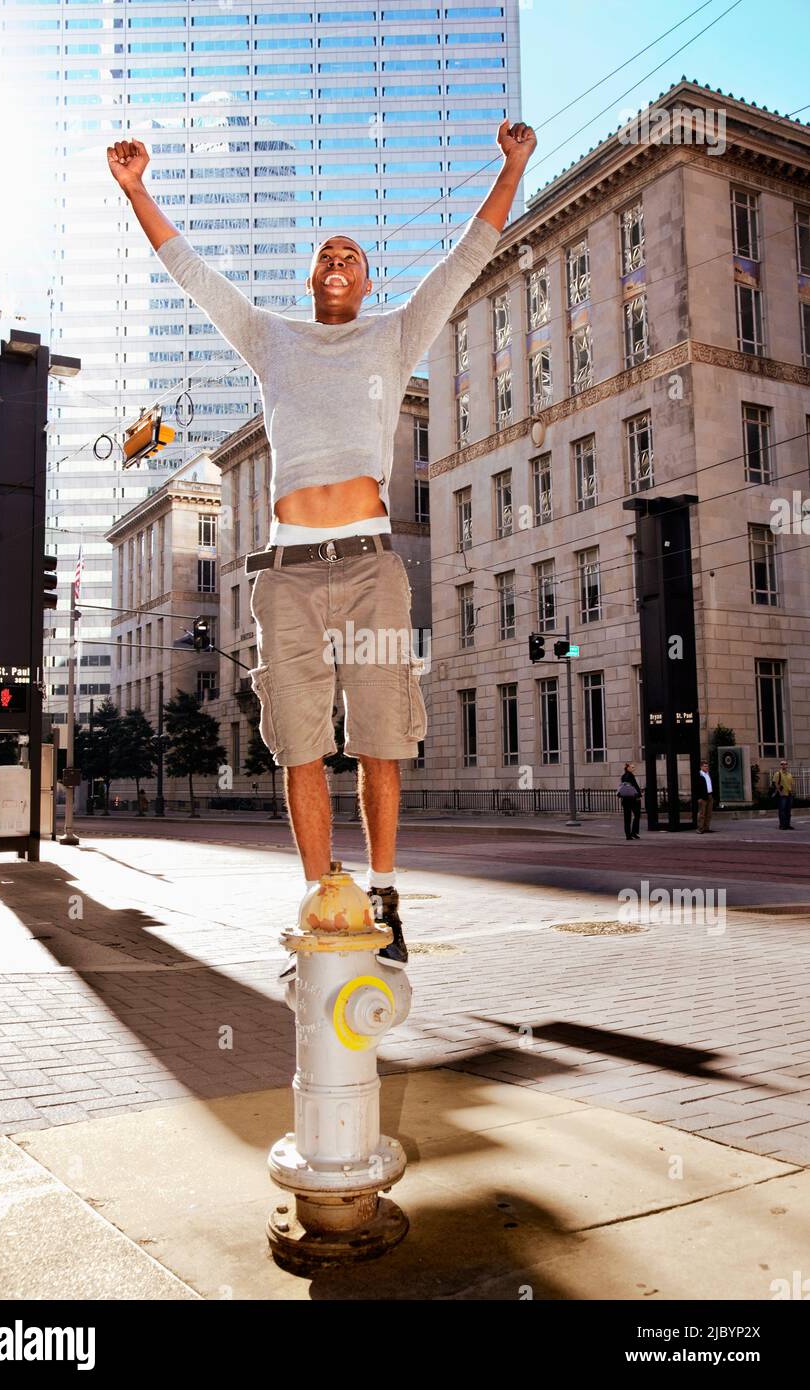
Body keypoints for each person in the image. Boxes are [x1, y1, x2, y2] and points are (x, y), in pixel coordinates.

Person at [108, 119, 537, 967]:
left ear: (366, 280)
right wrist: (136, 192)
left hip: (373, 570)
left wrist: (512, 168)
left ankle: (381, 894)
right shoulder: (270, 337)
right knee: (300, 746)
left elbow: (466, 258)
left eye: (351, 256)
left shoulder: (394, 333)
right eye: (325, 255)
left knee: (381, 740)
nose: (338, 261)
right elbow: (195, 276)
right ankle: (318, 903)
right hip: (289, 578)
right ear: (310, 278)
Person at [618, 763, 642, 840]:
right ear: (627, 768)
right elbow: (635, 786)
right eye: (632, 767)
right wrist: (639, 795)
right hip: (633, 799)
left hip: (625, 799)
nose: (633, 768)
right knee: (637, 815)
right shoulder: (631, 776)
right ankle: (634, 832)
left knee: (627, 818)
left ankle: (628, 835)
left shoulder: (623, 776)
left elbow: (622, 787)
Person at [772, 759, 794, 829]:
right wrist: (780, 792)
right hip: (782, 795)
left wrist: (791, 791)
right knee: (782, 811)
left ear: (787, 765)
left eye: (785, 764)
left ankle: (787, 825)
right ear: (780, 765)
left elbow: (791, 784)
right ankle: (782, 825)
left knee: (788, 811)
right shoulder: (778, 774)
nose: (783, 765)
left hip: (789, 794)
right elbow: (775, 784)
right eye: (782, 764)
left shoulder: (789, 774)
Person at [697, 759, 714, 833]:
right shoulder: (699, 775)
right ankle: (700, 828)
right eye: (705, 766)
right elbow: (696, 787)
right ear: (701, 767)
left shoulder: (708, 774)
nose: (706, 767)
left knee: (709, 813)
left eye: (707, 766)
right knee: (702, 813)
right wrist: (699, 797)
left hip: (709, 795)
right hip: (702, 797)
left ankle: (706, 828)